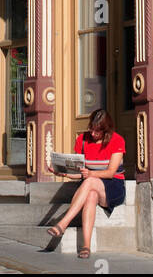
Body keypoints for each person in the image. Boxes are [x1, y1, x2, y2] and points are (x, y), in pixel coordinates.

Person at [47, 109, 126, 258]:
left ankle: (63, 223)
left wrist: (91, 174)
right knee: (90, 195)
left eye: (98, 131)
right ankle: (86, 246)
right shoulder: (82, 140)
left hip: (113, 186)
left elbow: (110, 172)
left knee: (89, 181)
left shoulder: (117, 140)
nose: (93, 133)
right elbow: (79, 173)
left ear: (106, 130)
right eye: (91, 129)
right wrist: (63, 173)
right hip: (91, 185)